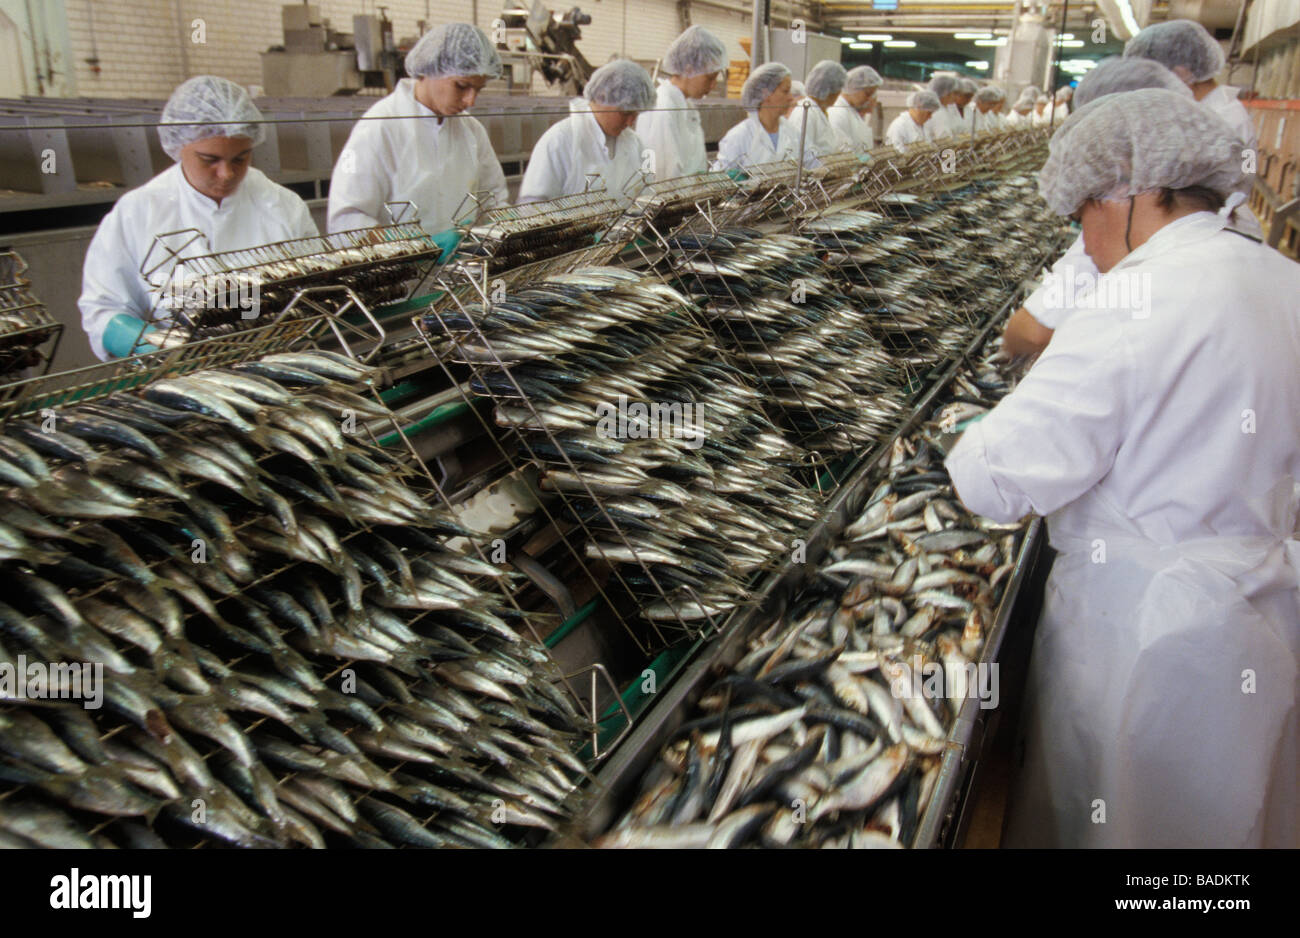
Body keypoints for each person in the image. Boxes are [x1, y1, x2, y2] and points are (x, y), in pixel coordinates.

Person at [950, 88, 1300, 849]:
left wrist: (972, 438)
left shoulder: (1133, 301)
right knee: (1229, 828)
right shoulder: (1283, 280)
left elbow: (998, 481)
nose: (1086, 243)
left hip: (1141, 633)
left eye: (1084, 218)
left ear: (1136, 192)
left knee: (1117, 820)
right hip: (1264, 615)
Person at [999, 56, 1224, 360]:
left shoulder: (1138, 258)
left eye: (1081, 216)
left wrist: (1010, 344)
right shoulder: (1221, 237)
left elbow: (1033, 331)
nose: (1088, 246)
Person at [78, 76, 317, 361]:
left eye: (240, 159)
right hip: (173, 375)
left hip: (272, 361)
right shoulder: (138, 212)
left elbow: (312, 293)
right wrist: (157, 349)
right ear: (179, 145)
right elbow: (103, 310)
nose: (226, 174)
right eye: (209, 160)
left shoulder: (282, 207)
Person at [327, 23, 507, 247]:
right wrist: (414, 247)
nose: (471, 101)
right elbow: (346, 221)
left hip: (464, 272)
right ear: (430, 71)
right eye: (462, 86)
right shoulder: (380, 127)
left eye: (478, 90)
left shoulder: (471, 130)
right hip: (399, 276)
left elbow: (494, 199)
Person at [519, 59, 655, 206]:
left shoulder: (635, 144)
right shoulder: (560, 141)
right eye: (625, 113)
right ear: (602, 97)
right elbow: (532, 206)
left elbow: (644, 201)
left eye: (636, 114)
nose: (630, 122)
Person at [1124, 18, 1256, 147]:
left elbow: (1247, 168)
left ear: (1181, 73)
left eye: (1155, 81)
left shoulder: (1227, 123)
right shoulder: (1197, 113)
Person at [636, 26, 728, 181]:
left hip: (688, 199)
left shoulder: (686, 106)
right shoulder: (663, 106)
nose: (713, 86)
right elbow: (664, 176)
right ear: (689, 69)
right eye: (710, 78)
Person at [712, 63, 803, 173]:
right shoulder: (739, 136)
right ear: (765, 93)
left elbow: (811, 163)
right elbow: (719, 178)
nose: (790, 98)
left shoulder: (793, 132)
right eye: (785, 91)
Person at [795, 60, 850, 158]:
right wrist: (824, 169)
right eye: (839, 89)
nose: (839, 94)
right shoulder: (806, 111)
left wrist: (859, 158)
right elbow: (804, 153)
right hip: (812, 172)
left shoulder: (820, 112)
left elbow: (837, 145)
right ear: (830, 90)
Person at [829, 65, 882, 151]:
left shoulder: (851, 111)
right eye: (867, 94)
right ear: (853, 88)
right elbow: (842, 151)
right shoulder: (837, 113)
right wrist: (864, 159)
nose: (869, 99)